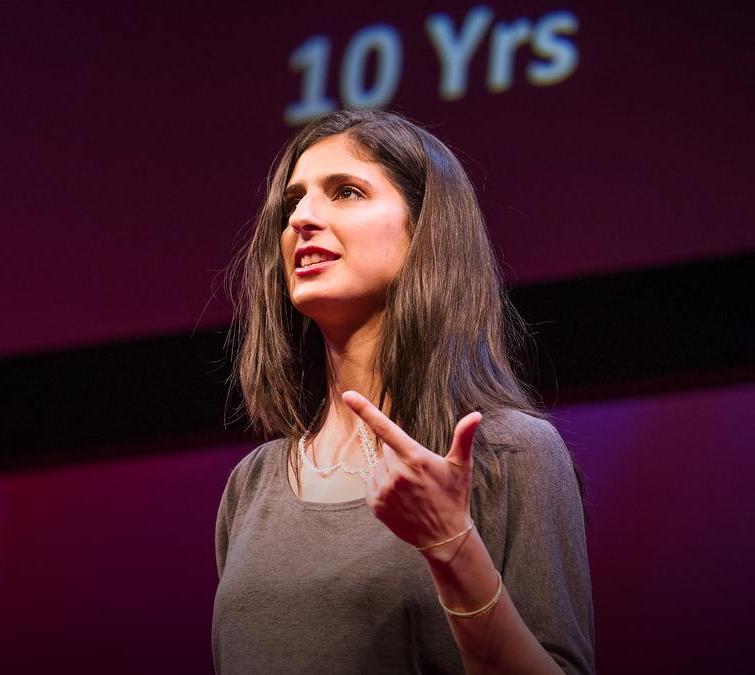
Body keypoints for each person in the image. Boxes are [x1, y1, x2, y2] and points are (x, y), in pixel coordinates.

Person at [212, 109, 595, 674]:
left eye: (345, 192)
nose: (302, 218)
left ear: (424, 231)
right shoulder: (252, 484)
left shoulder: (510, 454)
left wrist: (450, 543)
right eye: (293, 201)